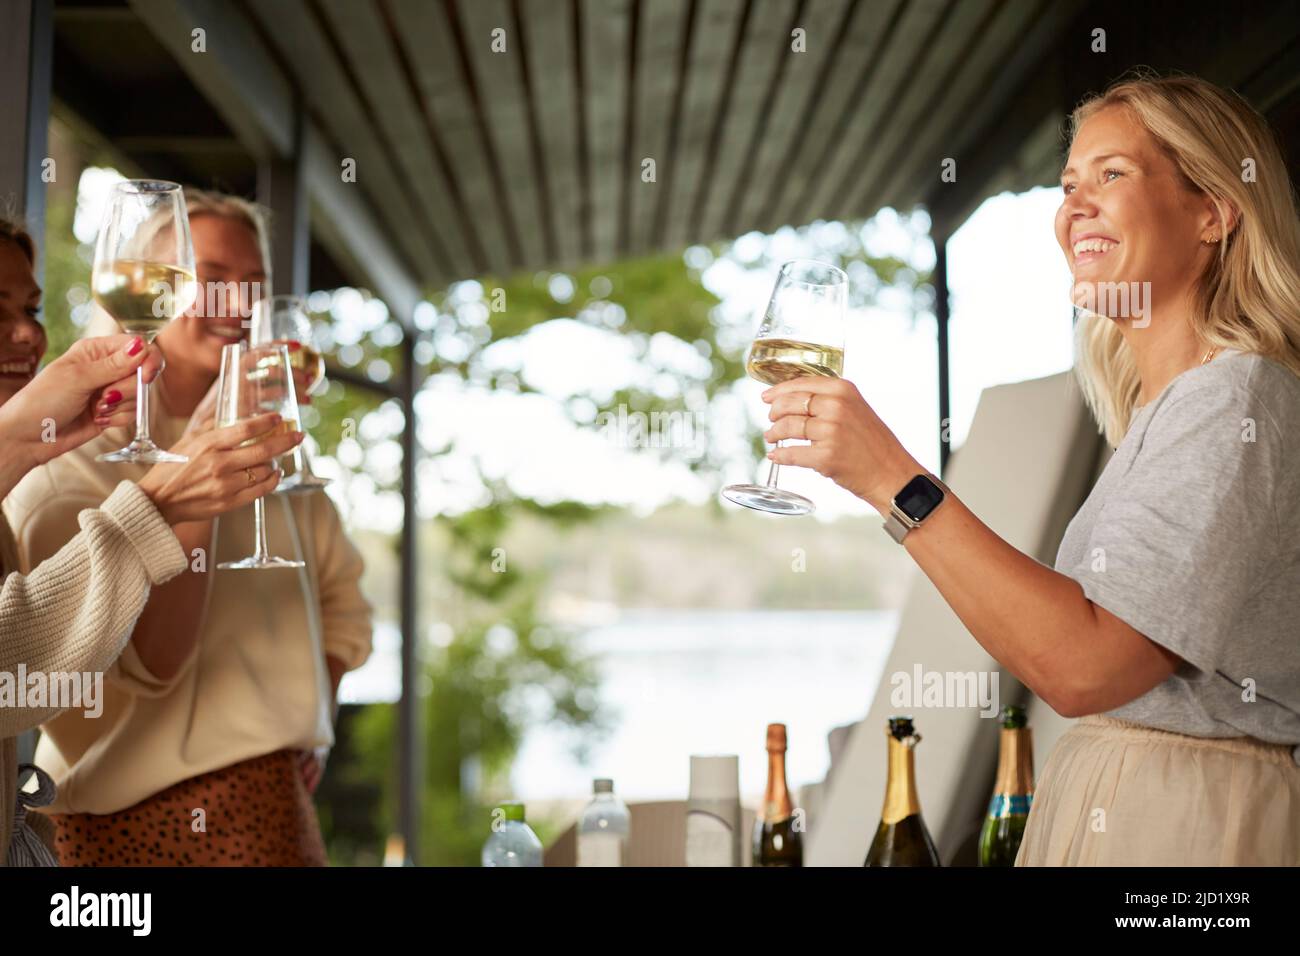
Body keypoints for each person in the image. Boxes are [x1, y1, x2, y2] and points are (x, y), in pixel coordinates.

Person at [761, 73, 1300, 865]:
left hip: (1194, 832)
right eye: (1067, 184)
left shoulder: (1235, 401)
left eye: (1111, 175)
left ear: (1214, 210)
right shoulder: (1169, 415)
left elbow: (1083, 668)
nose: (1073, 207)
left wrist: (891, 478)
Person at [5, 189, 373, 866]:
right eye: (212, 281)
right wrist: (191, 477)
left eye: (255, 287)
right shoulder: (61, 454)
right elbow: (152, 662)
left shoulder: (278, 442)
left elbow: (345, 607)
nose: (239, 306)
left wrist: (305, 719)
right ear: (142, 288)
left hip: (273, 805)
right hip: (124, 825)